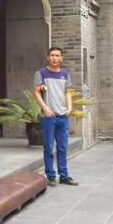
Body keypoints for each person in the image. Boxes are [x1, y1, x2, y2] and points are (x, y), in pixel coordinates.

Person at [33, 47, 78, 187]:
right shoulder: (41, 73)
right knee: (48, 147)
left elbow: (68, 92)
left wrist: (69, 108)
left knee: (63, 147)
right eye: (52, 55)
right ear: (48, 57)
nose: (55, 58)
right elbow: (36, 92)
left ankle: (64, 175)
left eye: (57, 55)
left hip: (63, 116)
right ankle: (50, 175)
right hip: (49, 117)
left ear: (61, 58)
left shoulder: (65, 74)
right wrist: (45, 109)